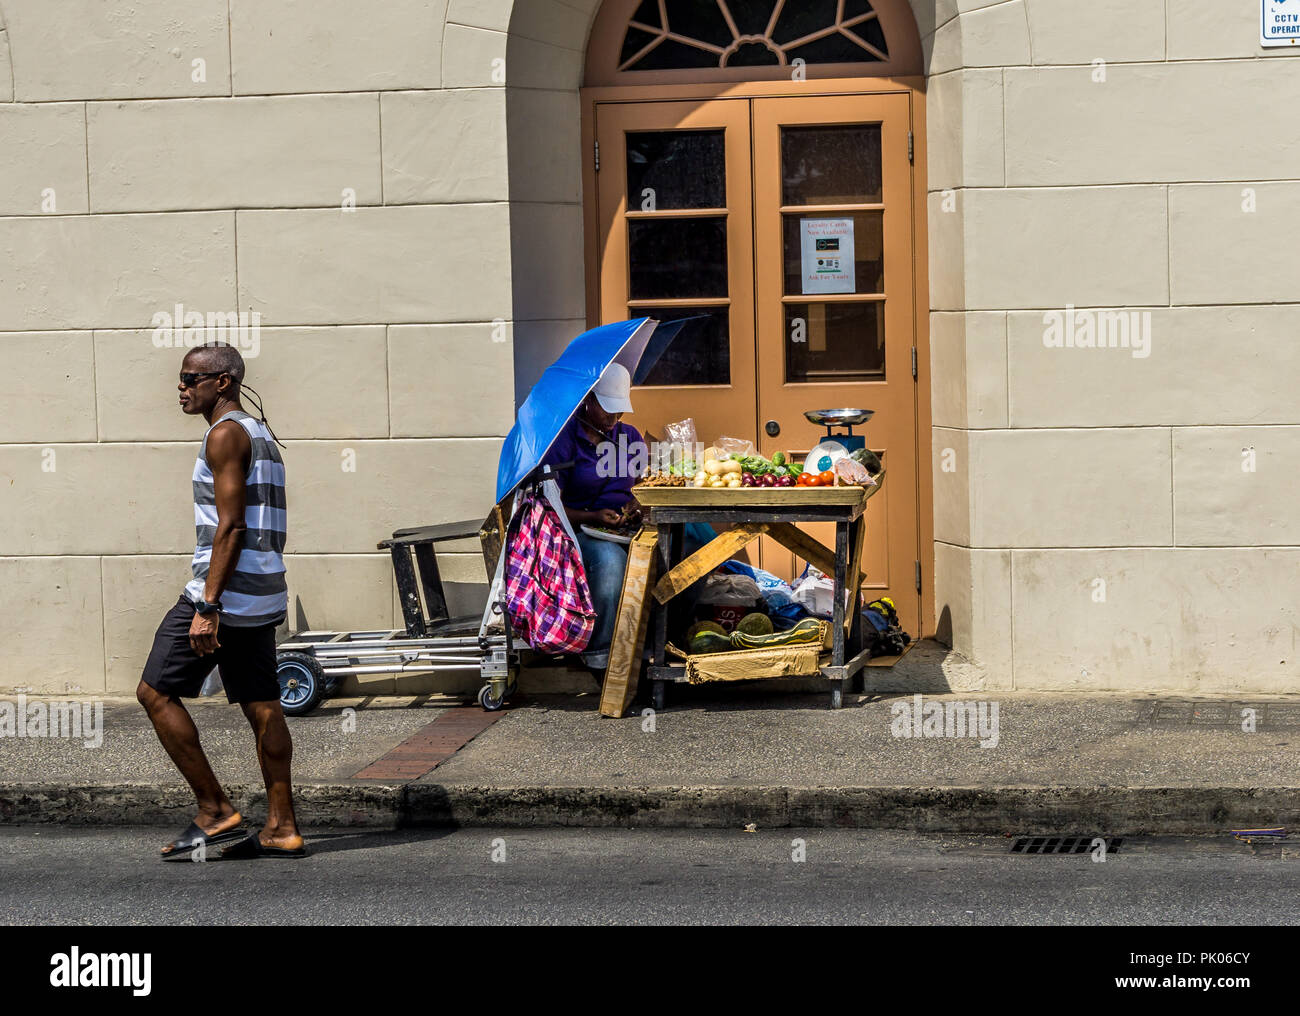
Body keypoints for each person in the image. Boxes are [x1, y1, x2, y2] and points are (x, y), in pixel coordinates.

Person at [136, 342, 305, 860]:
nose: (181, 388)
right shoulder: (258, 432)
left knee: (155, 692)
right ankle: (282, 828)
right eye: (182, 378)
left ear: (223, 382)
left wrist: (208, 606)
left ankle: (214, 809)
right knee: (262, 704)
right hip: (261, 591)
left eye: (191, 378)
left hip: (225, 594)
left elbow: (231, 525)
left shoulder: (225, 435)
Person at [542, 362, 646, 673]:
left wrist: (635, 508)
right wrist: (592, 515)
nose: (615, 419)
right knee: (611, 563)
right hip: (578, 530)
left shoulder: (630, 437)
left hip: (624, 527)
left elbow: (644, 488)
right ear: (587, 401)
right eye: (607, 410)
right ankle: (601, 656)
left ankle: (656, 645)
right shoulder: (563, 441)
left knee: (689, 541)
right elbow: (552, 507)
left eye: (620, 412)